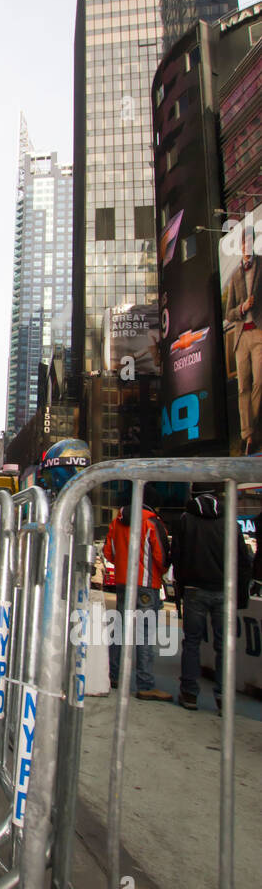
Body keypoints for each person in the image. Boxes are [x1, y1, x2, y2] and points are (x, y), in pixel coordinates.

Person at [171, 484, 252, 713]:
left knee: (192, 642)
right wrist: (241, 595)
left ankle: (189, 693)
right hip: (224, 589)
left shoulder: (185, 520)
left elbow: (177, 555)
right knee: (224, 646)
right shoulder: (229, 521)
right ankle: (223, 697)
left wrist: (182, 583)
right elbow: (243, 560)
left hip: (195, 589)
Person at [103, 489, 172, 701]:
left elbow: (108, 553)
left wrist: (123, 567)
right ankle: (145, 684)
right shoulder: (152, 522)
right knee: (144, 634)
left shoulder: (118, 522)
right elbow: (161, 556)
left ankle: (113, 676)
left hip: (124, 582)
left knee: (120, 630)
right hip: (146, 585)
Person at [224, 231, 262, 454]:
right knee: (243, 387)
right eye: (243, 242)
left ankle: (255, 429)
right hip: (241, 336)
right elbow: (229, 313)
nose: (246, 246)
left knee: (259, 383)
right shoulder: (236, 275)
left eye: (249, 242)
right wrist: (242, 308)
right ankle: (247, 434)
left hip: (258, 332)